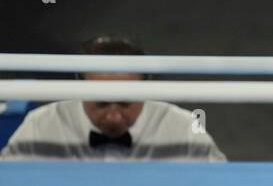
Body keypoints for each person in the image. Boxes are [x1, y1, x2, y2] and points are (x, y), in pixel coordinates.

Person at [0, 35, 226, 162]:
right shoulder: (40, 126)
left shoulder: (185, 128)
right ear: (81, 88)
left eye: (126, 103)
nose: (114, 117)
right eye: (101, 103)